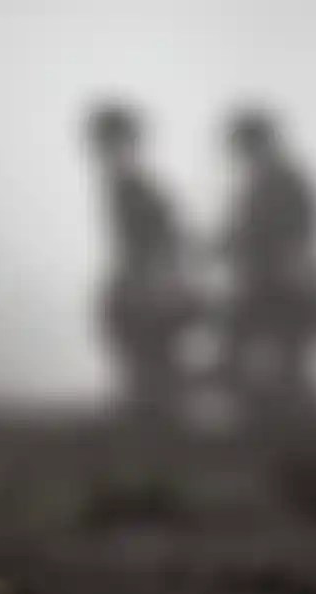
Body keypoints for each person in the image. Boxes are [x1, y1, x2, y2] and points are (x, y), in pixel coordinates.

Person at [218, 108, 316, 424]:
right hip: (270, 285)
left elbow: (282, 233)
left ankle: (294, 423)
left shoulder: (281, 183)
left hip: (281, 287)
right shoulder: (268, 183)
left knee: (282, 360)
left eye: (245, 147)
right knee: (273, 360)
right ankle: (280, 418)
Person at [86, 102, 195, 426]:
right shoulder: (124, 184)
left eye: (111, 143)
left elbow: (165, 239)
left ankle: (155, 414)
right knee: (145, 362)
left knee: (151, 361)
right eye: (102, 145)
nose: (104, 153)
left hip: (151, 287)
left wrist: (156, 282)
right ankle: (150, 411)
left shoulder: (135, 187)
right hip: (145, 284)